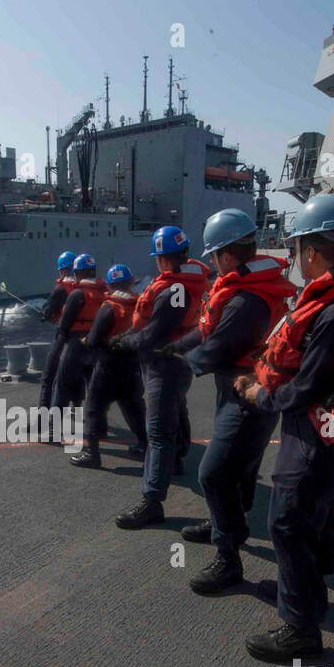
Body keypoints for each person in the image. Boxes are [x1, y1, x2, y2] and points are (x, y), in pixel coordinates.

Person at [235, 193, 334, 658]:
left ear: (310, 251)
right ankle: (308, 591)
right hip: (333, 433)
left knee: (288, 523)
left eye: (296, 248)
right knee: (318, 516)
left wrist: (259, 394)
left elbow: (307, 387)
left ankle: (300, 628)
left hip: (312, 436)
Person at [179, 209, 297, 594]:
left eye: (214, 256)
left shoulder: (247, 301)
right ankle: (223, 523)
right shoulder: (249, 291)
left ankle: (228, 556)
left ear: (227, 256)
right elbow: (215, 338)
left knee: (213, 473)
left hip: (249, 393)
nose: (213, 264)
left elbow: (219, 346)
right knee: (241, 467)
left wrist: (175, 357)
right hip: (239, 385)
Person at [113, 226, 211, 528]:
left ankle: (152, 501)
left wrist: (122, 342)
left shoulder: (175, 291)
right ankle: (178, 459)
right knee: (176, 411)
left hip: (163, 364)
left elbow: (154, 334)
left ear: (163, 261)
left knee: (157, 433)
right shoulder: (186, 285)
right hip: (177, 362)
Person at [70, 264, 148, 468]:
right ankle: (144, 446)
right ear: (130, 283)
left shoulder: (109, 307)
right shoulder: (139, 304)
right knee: (135, 409)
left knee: (94, 409)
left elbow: (95, 340)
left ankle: (91, 454)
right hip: (132, 367)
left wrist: (85, 342)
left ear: (110, 285)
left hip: (107, 368)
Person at [53, 254, 107, 434]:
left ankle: (52, 430)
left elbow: (64, 324)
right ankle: (100, 428)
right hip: (95, 345)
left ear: (77, 274)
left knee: (61, 388)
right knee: (94, 389)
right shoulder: (103, 292)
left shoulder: (77, 294)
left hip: (75, 344)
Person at [36, 250, 78, 442]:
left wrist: (45, 314)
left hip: (64, 339)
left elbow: (48, 311)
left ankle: (44, 423)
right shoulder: (84, 287)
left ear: (62, 271)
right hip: (86, 342)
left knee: (49, 379)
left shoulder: (62, 289)